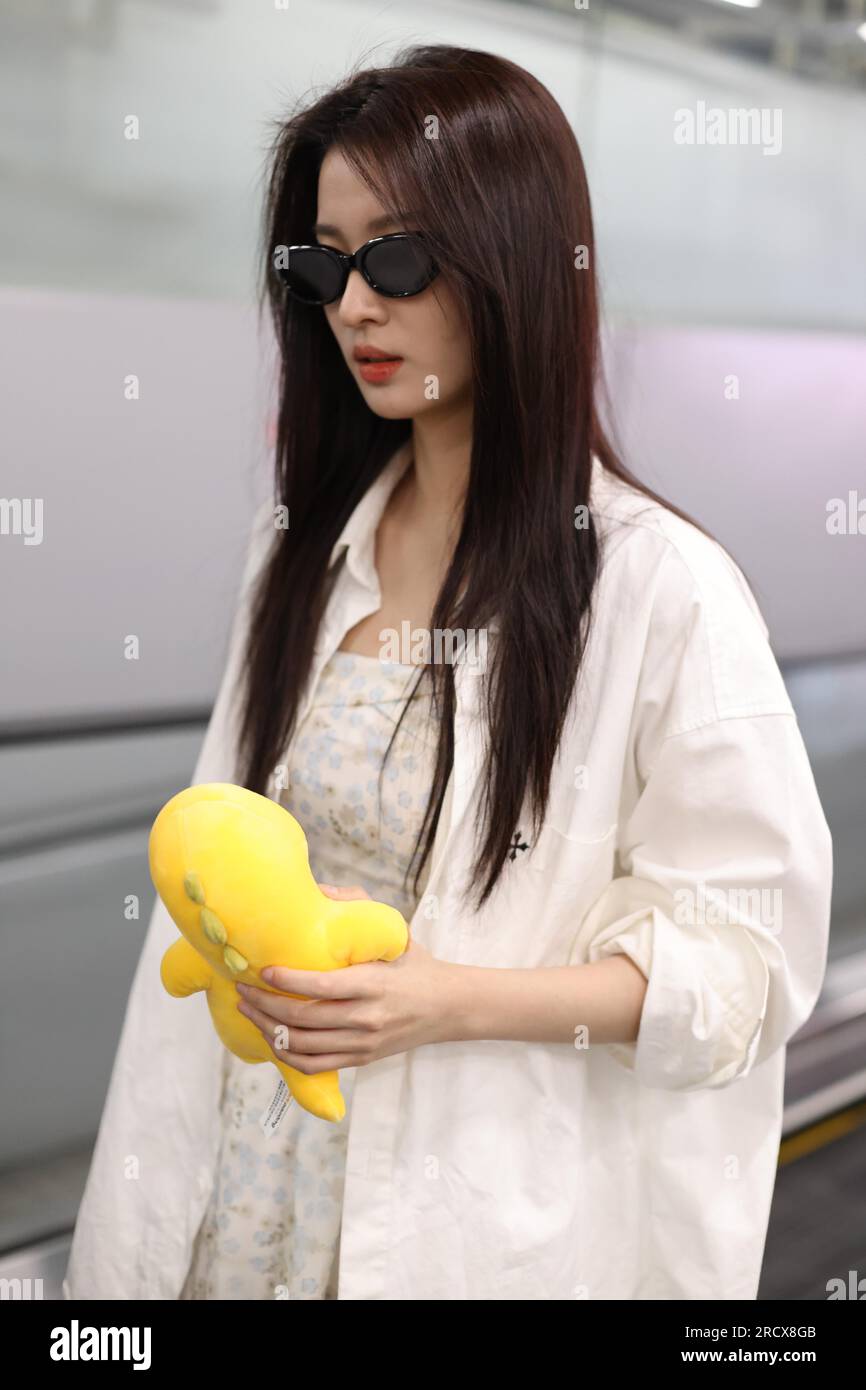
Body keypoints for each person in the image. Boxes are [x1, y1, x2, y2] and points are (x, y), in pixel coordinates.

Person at [64, 44, 832, 1302]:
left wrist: (446, 1001)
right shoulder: (300, 554)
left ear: (515, 256)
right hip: (251, 1185)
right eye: (322, 261)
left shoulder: (656, 587)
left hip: (468, 1216)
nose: (354, 306)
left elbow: (742, 970)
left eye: (398, 259)